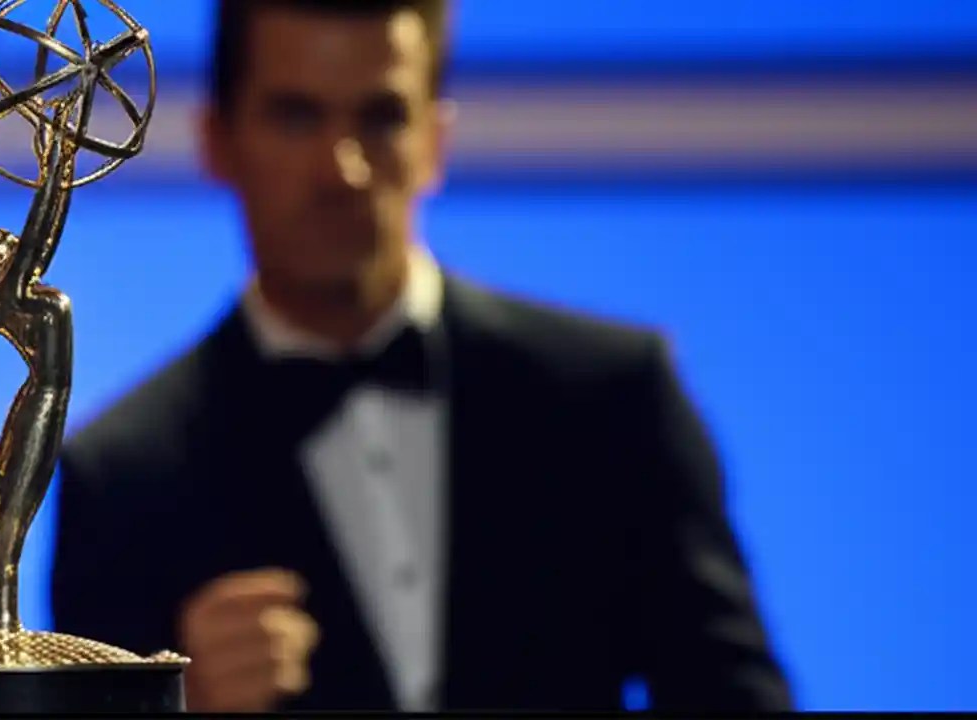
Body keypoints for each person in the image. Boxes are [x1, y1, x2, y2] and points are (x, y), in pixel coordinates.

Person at [49, 0, 793, 712]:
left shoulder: (613, 398)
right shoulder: (122, 478)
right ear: (217, 139)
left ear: (436, 140)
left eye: (381, 116)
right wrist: (181, 706)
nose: (342, 169)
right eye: (296, 115)